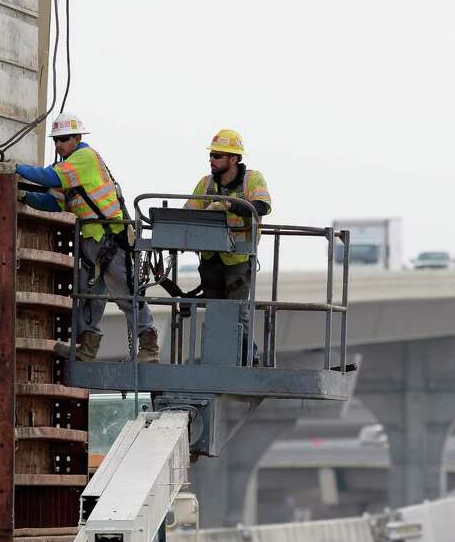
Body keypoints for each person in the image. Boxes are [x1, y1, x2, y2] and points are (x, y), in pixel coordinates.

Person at [15, 115, 159, 363]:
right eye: (56, 140)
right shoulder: (70, 170)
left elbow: (49, 178)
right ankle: (87, 348)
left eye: (64, 139)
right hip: (94, 243)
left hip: (110, 239)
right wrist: (24, 196)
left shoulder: (84, 158)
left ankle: (149, 348)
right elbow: (55, 202)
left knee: (125, 295)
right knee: (88, 295)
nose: (59, 145)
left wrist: (16, 168)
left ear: (78, 138)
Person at [185, 128, 271, 364]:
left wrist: (229, 205)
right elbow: (187, 213)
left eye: (217, 156)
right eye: (211, 155)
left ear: (234, 158)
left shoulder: (251, 180)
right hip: (211, 259)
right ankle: (219, 360)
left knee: (237, 314)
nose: (211, 160)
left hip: (238, 261)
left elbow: (262, 207)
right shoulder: (205, 184)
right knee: (215, 314)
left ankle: (247, 360)